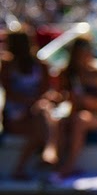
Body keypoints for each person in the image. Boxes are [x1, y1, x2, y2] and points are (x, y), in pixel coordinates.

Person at [53, 35, 97, 180]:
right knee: (61, 123)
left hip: (95, 116)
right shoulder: (67, 74)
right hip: (74, 114)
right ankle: (57, 163)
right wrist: (68, 97)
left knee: (80, 120)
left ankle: (69, 165)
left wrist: (94, 102)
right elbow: (59, 96)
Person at [1, 26, 56, 178]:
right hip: (15, 115)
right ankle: (49, 152)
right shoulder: (7, 65)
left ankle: (21, 168)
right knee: (43, 122)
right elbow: (10, 93)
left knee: (43, 110)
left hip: (35, 111)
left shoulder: (41, 65)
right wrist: (29, 102)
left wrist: (33, 103)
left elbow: (44, 92)